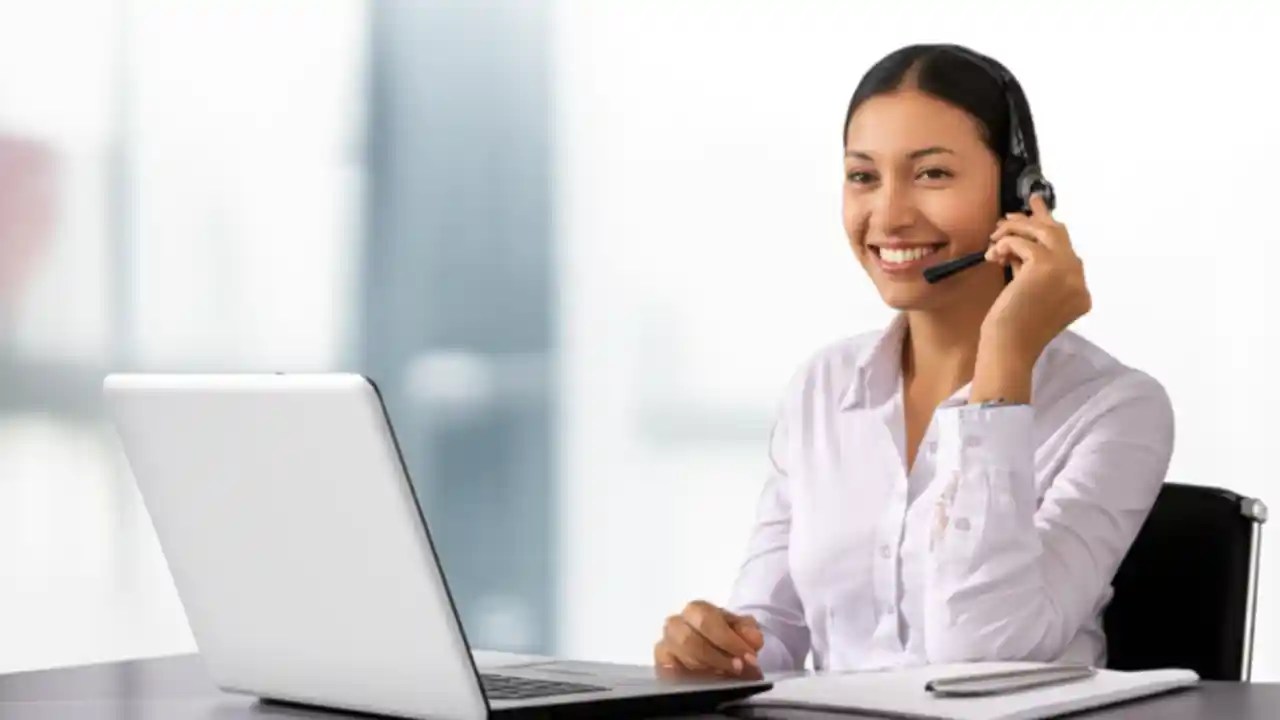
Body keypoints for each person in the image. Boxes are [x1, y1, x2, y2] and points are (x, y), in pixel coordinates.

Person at [652, 43, 1174, 677]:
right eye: (863, 176)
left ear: (1020, 194)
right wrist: (713, 650)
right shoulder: (824, 386)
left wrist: (1004, 362)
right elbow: (770, 641)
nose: (890, 217)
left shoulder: (1116, 407)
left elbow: (986, 658)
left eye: (931, 175)